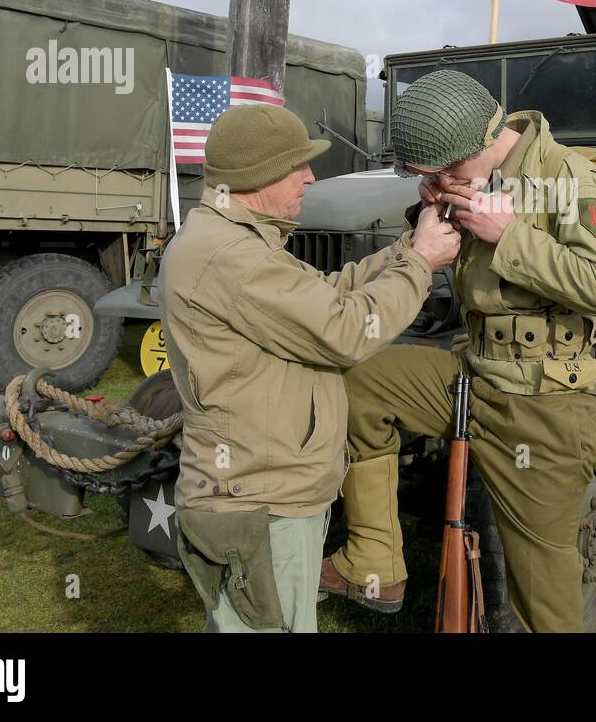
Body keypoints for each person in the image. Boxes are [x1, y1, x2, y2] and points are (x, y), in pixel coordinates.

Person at [320, 69, 596, 632]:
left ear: (471, 148)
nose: (439, 180)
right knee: (358, 377)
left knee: (542, 589)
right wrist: (431, 214)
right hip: (473, 373)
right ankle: (375, 559)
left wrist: (509, 235)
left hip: (543, 406)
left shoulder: (574, 182)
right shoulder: (475, 178)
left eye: (441, 172)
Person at [159, 101, 460, 633]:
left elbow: (326, 294)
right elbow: (346, 331)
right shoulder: (235, 256)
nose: (310, 177)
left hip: (256, 492)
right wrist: (419, 265)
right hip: (263, 504)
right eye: (297, 166)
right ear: (261, 175)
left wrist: (409, 247)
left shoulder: (234, 238)